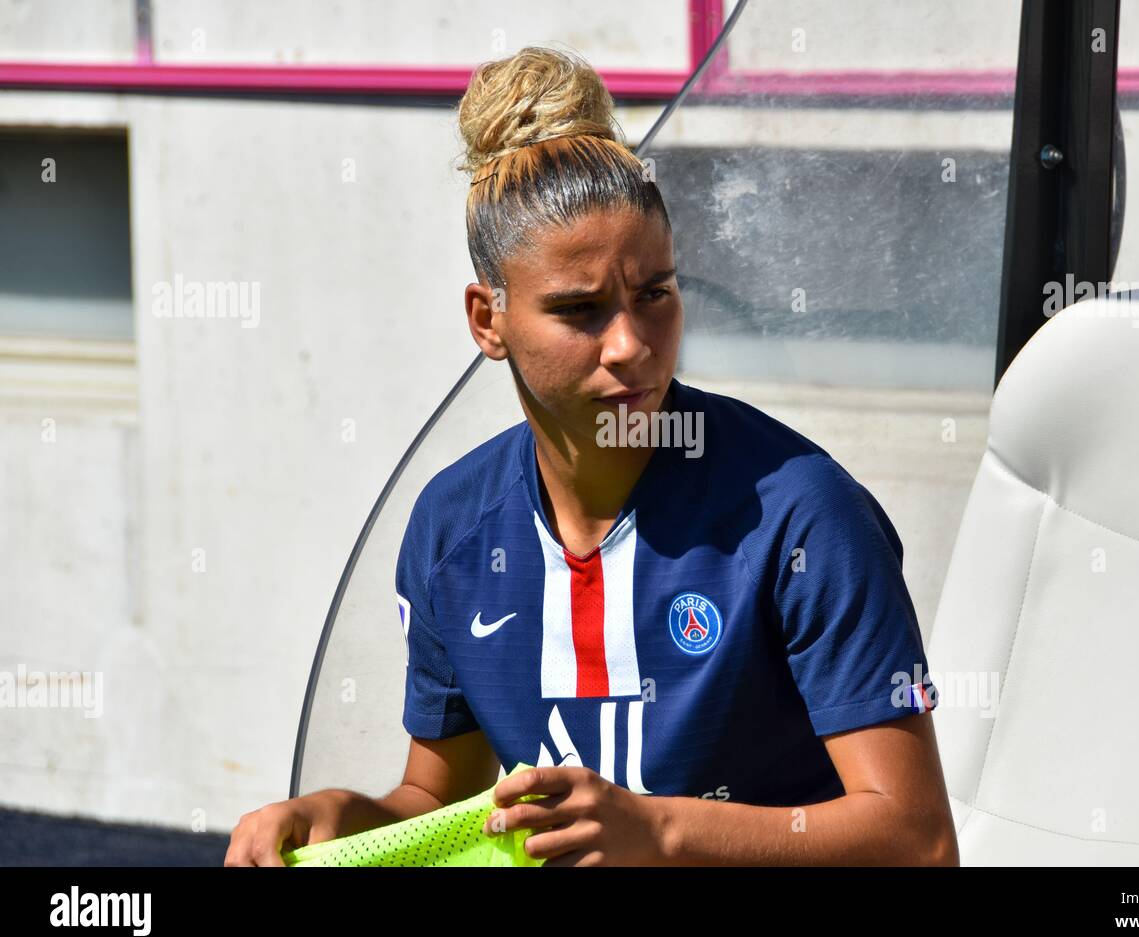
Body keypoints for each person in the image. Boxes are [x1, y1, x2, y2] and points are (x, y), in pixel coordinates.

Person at [226, 45, 957, 867]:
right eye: (580, 310)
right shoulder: (452, 527)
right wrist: (341, 816)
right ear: (487, 320)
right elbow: (442, 800)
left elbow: (918, 840)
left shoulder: (803, 514)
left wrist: (660, 834)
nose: (631, 345)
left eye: (655, 295)